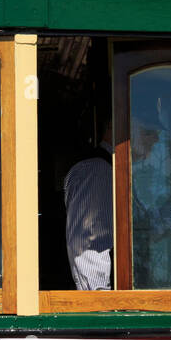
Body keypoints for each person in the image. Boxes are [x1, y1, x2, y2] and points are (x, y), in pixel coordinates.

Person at [64, 119, 114, 289]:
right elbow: (87, 242)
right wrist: (100, 303)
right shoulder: (97, 171)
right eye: (148, 132)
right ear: (113, 127)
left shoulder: (110, 169)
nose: (156, 139)